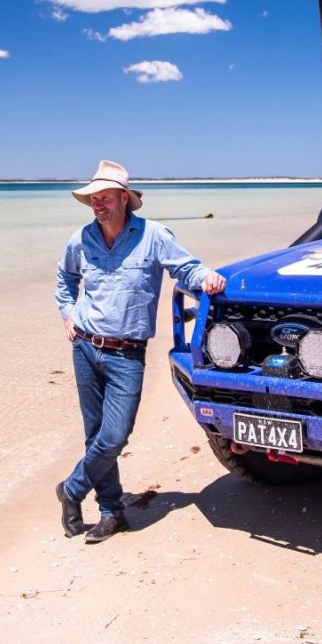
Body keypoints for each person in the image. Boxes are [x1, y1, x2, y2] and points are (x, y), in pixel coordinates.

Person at [54, 160, 226, 543]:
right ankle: (110, 511)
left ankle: (71, 489)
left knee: (115, 435)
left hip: (127, 354)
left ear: (124, 199)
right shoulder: (80, 239)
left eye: (105, 198)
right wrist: (67, 312)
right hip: (84, 347)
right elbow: (65, 279)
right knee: (94, 433)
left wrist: (207, 279)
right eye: (93, 199)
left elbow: (186, 268)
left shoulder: (153, 235)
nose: (98, 205)